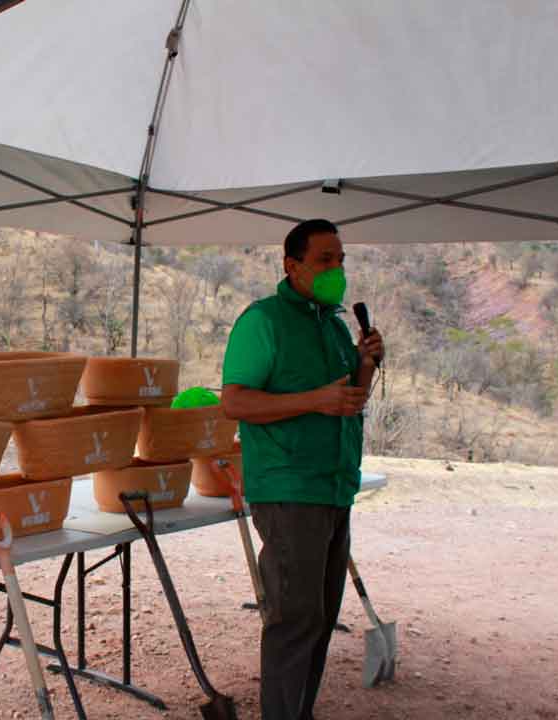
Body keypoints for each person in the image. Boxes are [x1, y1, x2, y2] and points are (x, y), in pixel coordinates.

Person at [220, 219, 384, 720]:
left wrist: (365, 366)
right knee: (295, 618)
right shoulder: (263, 321)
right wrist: (316, 398)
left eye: (341, 259)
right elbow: (235, 402)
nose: (336, 269)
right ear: (292, 266)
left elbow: (347, 403)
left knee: (320, 615)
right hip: (289, 487)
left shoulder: (334, 324)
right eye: (324, 260)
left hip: (334, 487)